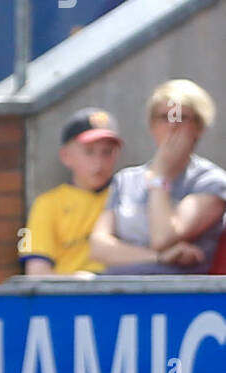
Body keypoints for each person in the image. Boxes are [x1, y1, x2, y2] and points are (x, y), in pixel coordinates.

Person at [90, 80, 226, 274]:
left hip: (178, 295)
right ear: (152, 125)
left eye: (181, 117)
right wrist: (158, 258)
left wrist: (160, 175)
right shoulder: (126, 179)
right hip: (118, 290)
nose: (173, 126)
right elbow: (98, 247)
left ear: (199, 127)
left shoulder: (211, 181)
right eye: (165, 117)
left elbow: (163, 238)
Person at [20, 109, 122, 276]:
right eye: (89, 151)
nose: (99, 162)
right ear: (66, 156)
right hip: (69, 296)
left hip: (124, 293)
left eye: (107, 152)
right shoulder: (46, 204)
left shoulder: (129, 195)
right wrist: (75, 282)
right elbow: (36, 273)